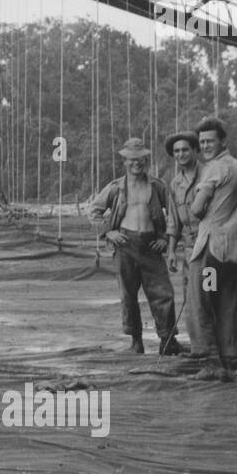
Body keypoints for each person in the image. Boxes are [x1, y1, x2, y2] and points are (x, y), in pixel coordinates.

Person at [89, 138, 182, 355]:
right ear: (125, 161)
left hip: (151, 246)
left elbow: (173, 216)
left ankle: (167, 341)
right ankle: (136, 342)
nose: (136, 163)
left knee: (163, 293)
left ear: (146, 159)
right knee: (128, 295)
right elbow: (94, 211)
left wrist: (166, 240)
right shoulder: (116, 188)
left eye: (140, 158)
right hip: (125, 246)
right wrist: (108, 231)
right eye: (131, 159)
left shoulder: (158, 186)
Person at [188, 115, 237, 380]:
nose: (205, 146)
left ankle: (211, 362)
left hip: (211, 251)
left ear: (222, 141)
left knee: (203, 303)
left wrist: (196, 209)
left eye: (210, 141)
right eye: (201, 142)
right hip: (232, 251)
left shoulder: (213, 168)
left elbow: (197, 208)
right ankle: (231, 356)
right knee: (227, 304)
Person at [163, 129, 212, 357]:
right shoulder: (174, 184)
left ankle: (222, 347)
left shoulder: (210, 174)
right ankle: (199, 348)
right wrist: (171, 250)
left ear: (195, 150)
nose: (181, 154)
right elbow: (173, 220)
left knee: (211, 294)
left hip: (211, 247)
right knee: (191, 298)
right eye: (176, 151)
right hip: (189, 248)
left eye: (185, 149)